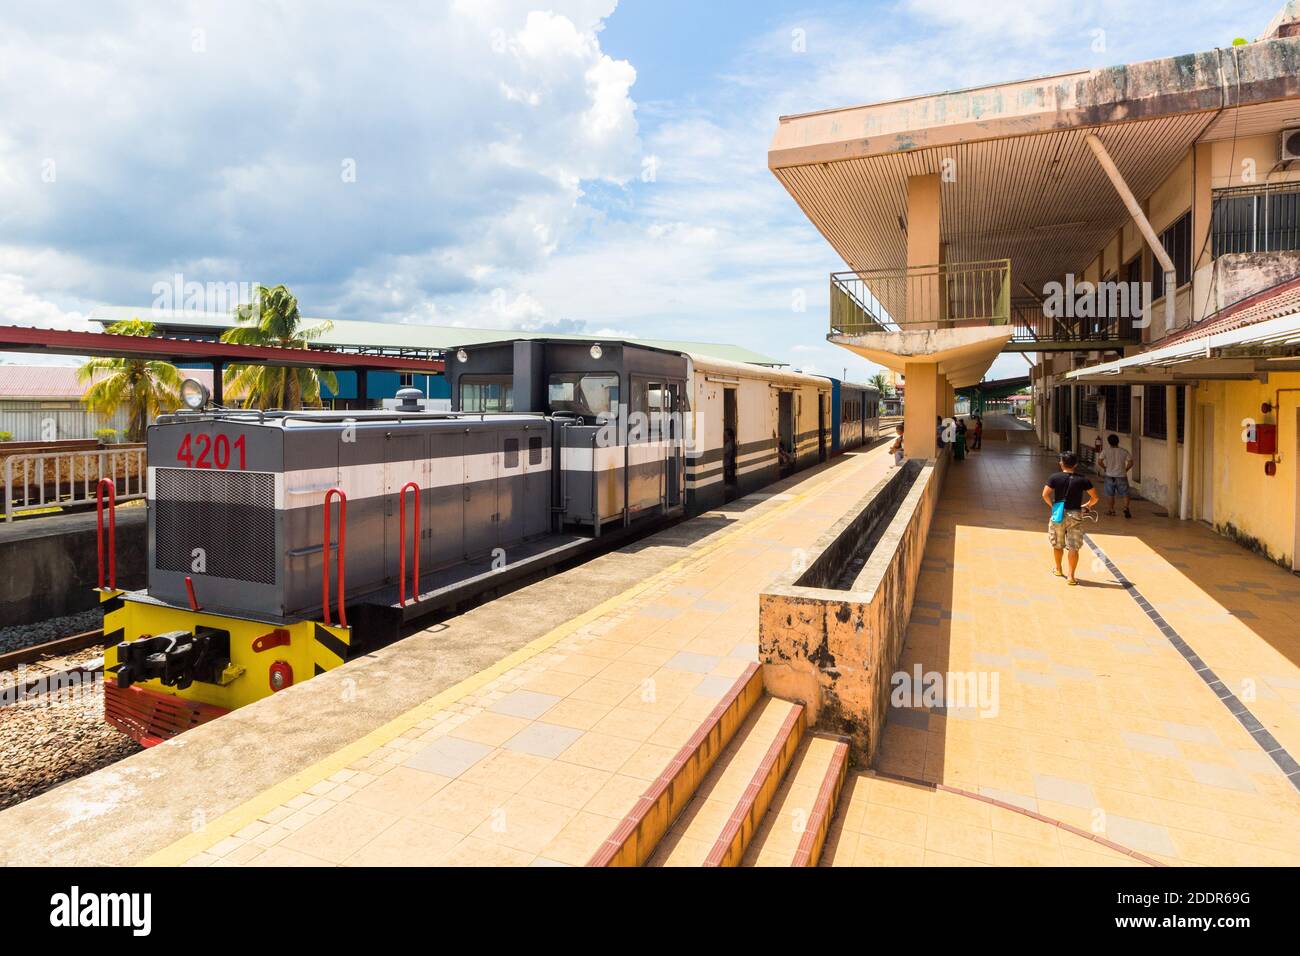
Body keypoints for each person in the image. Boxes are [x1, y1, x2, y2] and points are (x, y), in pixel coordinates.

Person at [1041, 450, 1099, 586]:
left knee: (1057, 543)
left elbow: (1045, 495)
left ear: (1061, 463)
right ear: (1076, 464)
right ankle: (1071, 576)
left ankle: (1058, 569)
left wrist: (1053, 506)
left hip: (1058, 514)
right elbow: (1095, 498)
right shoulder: (1083, 479)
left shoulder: (1054, 477)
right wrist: (1087, 506)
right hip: (1076, 514)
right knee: (1073, 547)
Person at [1097, 433, 1133, 518]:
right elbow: (1131, 462)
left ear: (1109, 442)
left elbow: (1099, 461)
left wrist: (1105, 468)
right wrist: (1126, 469)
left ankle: (1111, 510)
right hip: (1122, 476)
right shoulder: (1124, 451)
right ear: (1118, 441)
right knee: (1125, 493)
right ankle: (1126, 508)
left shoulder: (1105, 451)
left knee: (1110, 494)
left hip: (1109, 476)